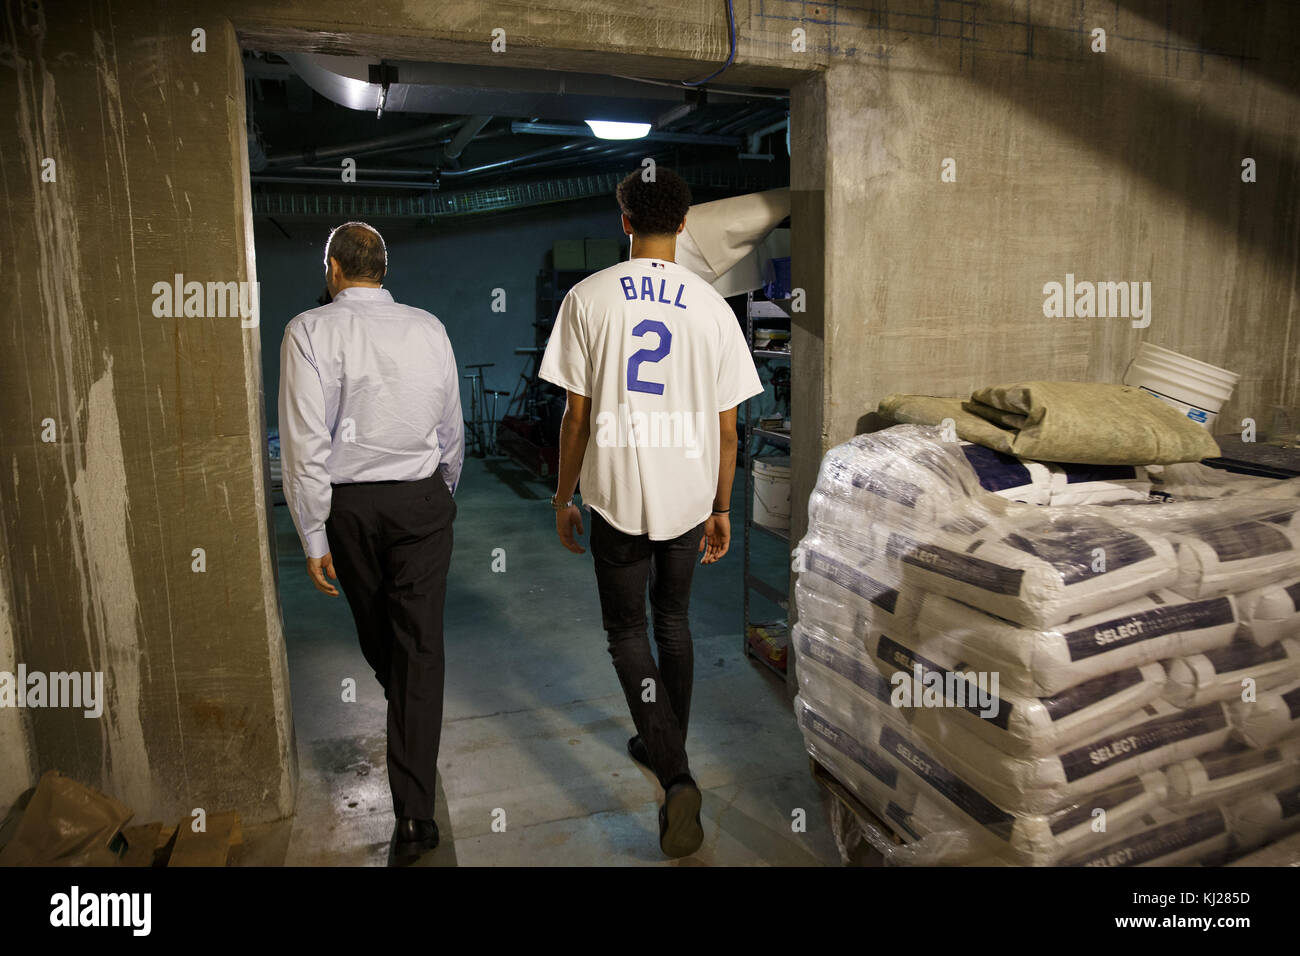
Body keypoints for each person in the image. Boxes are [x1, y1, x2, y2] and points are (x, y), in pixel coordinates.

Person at [538, 168, 763, 858]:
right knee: (673, 622)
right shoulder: (714, 307)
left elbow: (575, 416)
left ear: (625, 220)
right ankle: (666, 746)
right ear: (687, 222)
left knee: (627, 631)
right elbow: (729, 432)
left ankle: (674, 772)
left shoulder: (588, 297)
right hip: (690, 497)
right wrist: (724, 507)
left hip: (616, 498)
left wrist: (563, 494)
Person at [278, 222, 464, 861]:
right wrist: (443, 494)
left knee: (405, 648)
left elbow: (304, 444)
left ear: (333, 268)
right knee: (407, 651)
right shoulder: (428, 327)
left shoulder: (307, 331)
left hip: (350, 510)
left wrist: (311, 530)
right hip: (419, 499)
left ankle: (414, 818)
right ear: (382, 268)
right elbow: (451, 427)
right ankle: (413, 727)